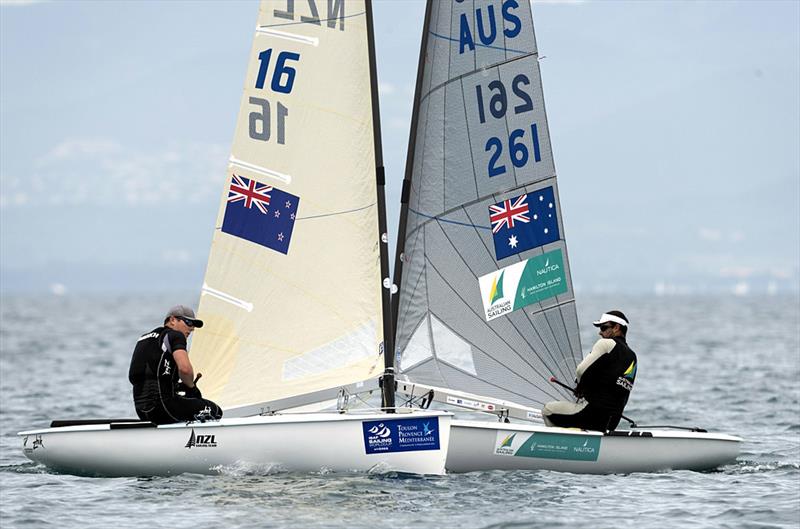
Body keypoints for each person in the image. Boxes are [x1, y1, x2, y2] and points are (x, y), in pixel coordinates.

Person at [542, 310, 637, 432]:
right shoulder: (632, 356)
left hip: (590, 416)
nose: (600, 332)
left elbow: (581, 370)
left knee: (548, 410)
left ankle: (563, 445)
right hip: (612, 422)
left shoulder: (606, 343)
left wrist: (581, 387)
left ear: (616, 328)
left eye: (603, 328)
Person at [128, 305, 223, 424]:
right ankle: (200, 440)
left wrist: (178, 386)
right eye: (188, 322)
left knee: (184, 405)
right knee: (215, 410)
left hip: (142, 410)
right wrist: (191, 388)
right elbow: (185, 369)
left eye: (193, 325)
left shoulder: (143, 339)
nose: (192, 328)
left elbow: (147, 375)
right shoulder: (176, 336)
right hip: (164, 408)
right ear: (172, 320)